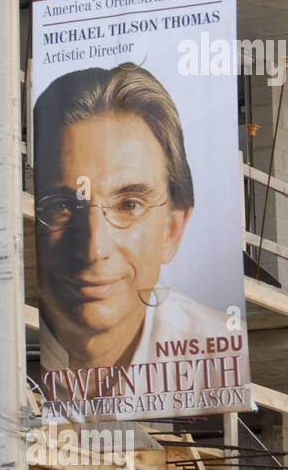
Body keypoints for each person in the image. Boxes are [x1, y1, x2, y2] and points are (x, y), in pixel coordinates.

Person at [33, 62, 234, 374]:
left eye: (128, 205)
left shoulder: (217, 356)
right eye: (61, 206)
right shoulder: (5, 334)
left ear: (172, 229)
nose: (93, 250)